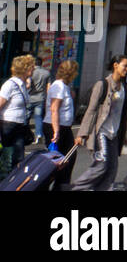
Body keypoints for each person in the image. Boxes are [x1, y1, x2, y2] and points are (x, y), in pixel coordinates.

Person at [69, 55, 127, 191]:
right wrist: (82, 133)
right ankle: (76, 188)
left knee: (112, 169)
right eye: (124, 66)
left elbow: (122, 113)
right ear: (115, 65)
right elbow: (91, 110)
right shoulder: (102, 85)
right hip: (101, 132)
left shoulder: (123, 88)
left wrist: (123, 133)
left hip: (114, 133)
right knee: (101, 165)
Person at [45, 60, 79, 189]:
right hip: (56, 127)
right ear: (70, 73)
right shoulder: (58, 86)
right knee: (56, 162)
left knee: (68, 158)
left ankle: (61, 186)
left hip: (65, 127)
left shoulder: (64, 86)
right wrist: (56, 131)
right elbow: (54, 109)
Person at [0, 55, 35, 173]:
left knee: (19, 158)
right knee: (9, 159)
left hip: (19, 125)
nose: (34, 69)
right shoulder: (10, 85)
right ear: (24, 68)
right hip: (8, 126)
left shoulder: (22, 85)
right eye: (31, 67)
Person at [27, 59, 49, 147]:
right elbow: (48, 86)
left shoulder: (31, 72)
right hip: (40, 98)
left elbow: (28, 85)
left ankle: (24, 133)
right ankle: (39, 134)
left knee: (26, 117)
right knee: (38, 117)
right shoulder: (46, 73)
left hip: (30, 97)